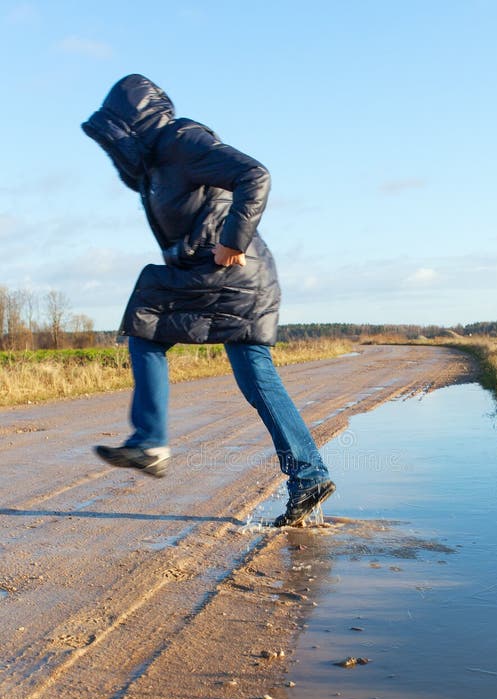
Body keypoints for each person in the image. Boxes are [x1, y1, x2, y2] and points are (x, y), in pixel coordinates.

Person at [81, 74, 334, 526]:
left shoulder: (182, 140)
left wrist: (232, 240)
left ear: (133, 123)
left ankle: (151, 442)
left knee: (147, 321)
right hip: (210, 276)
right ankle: (308, 476)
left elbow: (254, 175)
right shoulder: (156, 165)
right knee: (252, 375)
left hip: (233, 272)